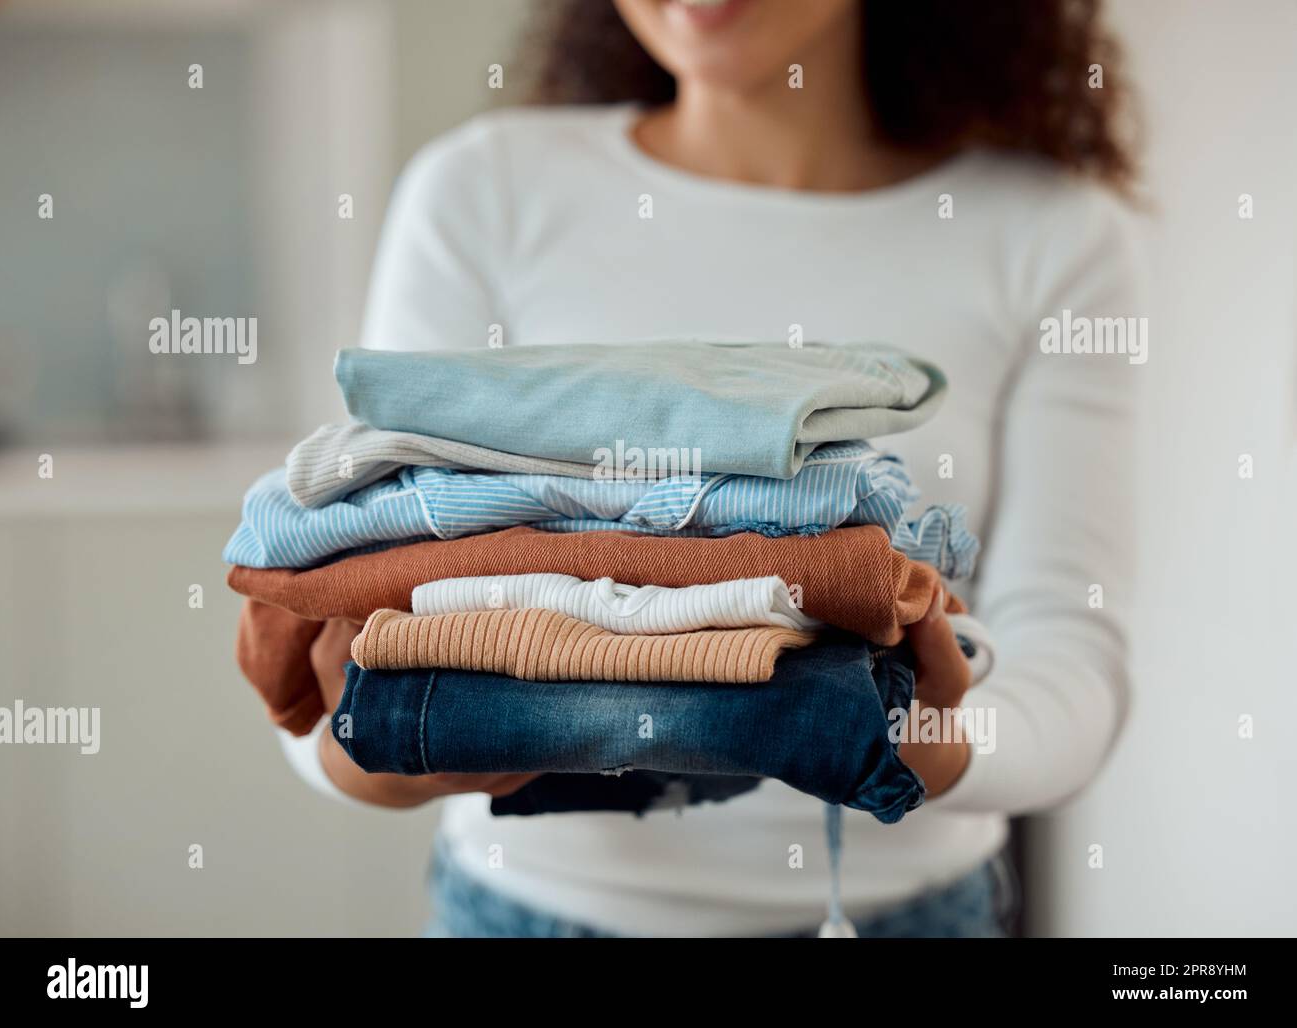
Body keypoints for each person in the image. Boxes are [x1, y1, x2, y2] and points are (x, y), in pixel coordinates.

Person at [283, 0, 1139, 938]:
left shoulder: (1054, 235)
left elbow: (1070, 652)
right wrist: (394, 743)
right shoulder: (481, 189)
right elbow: (347, 593)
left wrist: (918, 742)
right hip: (525, 915)